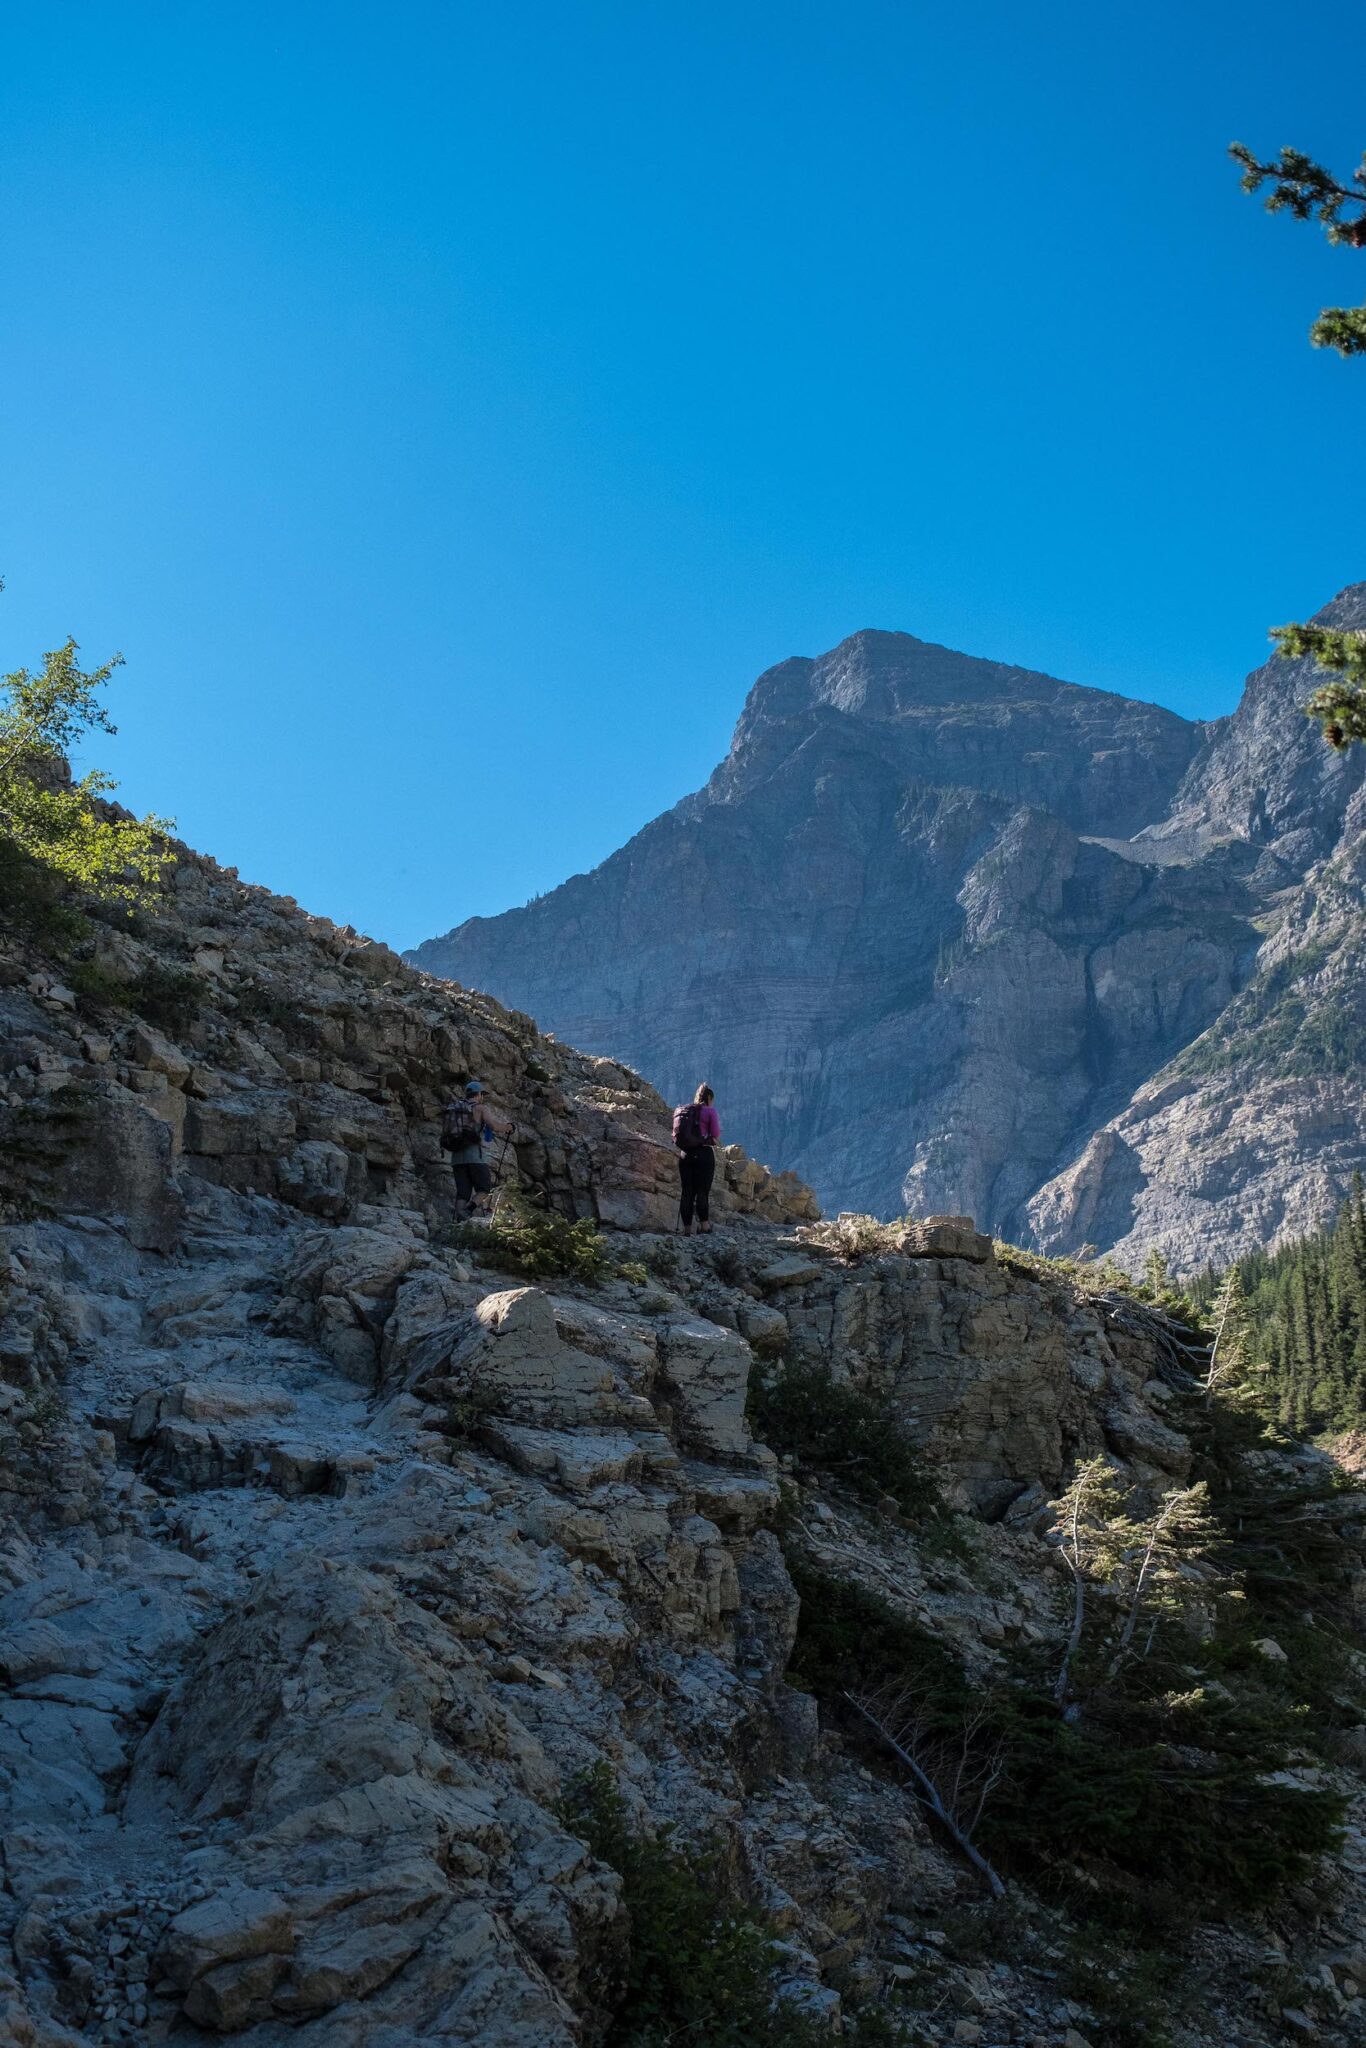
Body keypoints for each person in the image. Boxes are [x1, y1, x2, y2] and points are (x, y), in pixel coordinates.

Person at [441, 1079, 501, 1220]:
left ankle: (458, 1223)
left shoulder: (455, 1108)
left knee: (462, 1193)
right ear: (479, 1094)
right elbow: (494, 1126)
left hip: (456, 1157)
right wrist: (510, 1127)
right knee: (484, 1188)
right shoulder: (480, 1108)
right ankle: (468, 1211)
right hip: (474, 1156)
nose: (482, 1097)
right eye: (482, 1094)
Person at [672, 1083, 720, 1235]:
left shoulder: (685, 1111)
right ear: (709, 1098)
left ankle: (687, 1229)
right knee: (702, 1191)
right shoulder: (709, 1111)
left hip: (685, 1154)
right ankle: (704, 1226)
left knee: (687, 1191)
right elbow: (716, 1134)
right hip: (704, 1154)